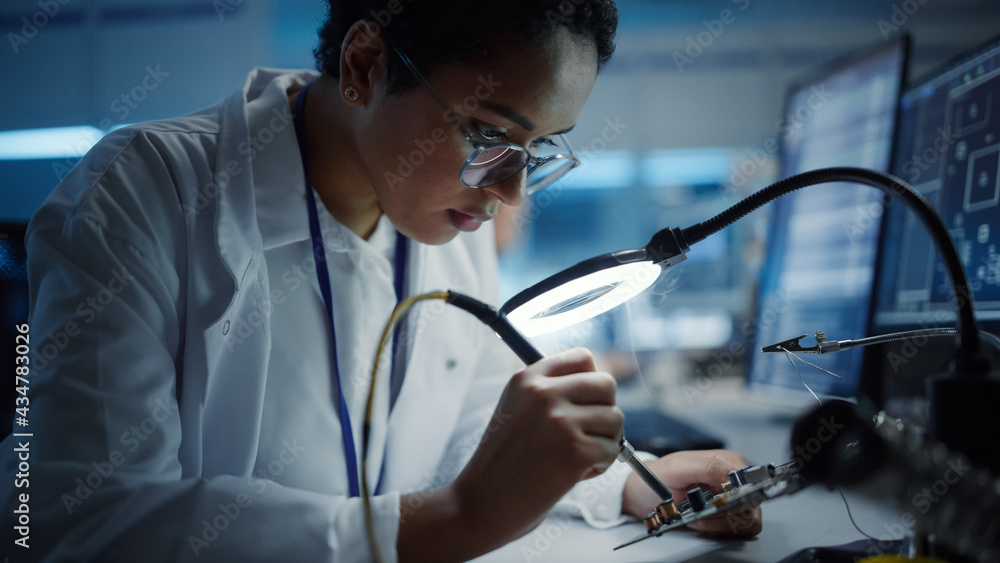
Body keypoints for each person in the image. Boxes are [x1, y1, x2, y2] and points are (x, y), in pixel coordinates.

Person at [1, 1, 761, 561]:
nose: (511, 192)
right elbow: (68, 521)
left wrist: (624, 482)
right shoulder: (140, 196)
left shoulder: (446, 211)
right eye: (490, 134)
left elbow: (471, 422)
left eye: (538, 148)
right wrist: (451, 521)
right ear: (365, 66)